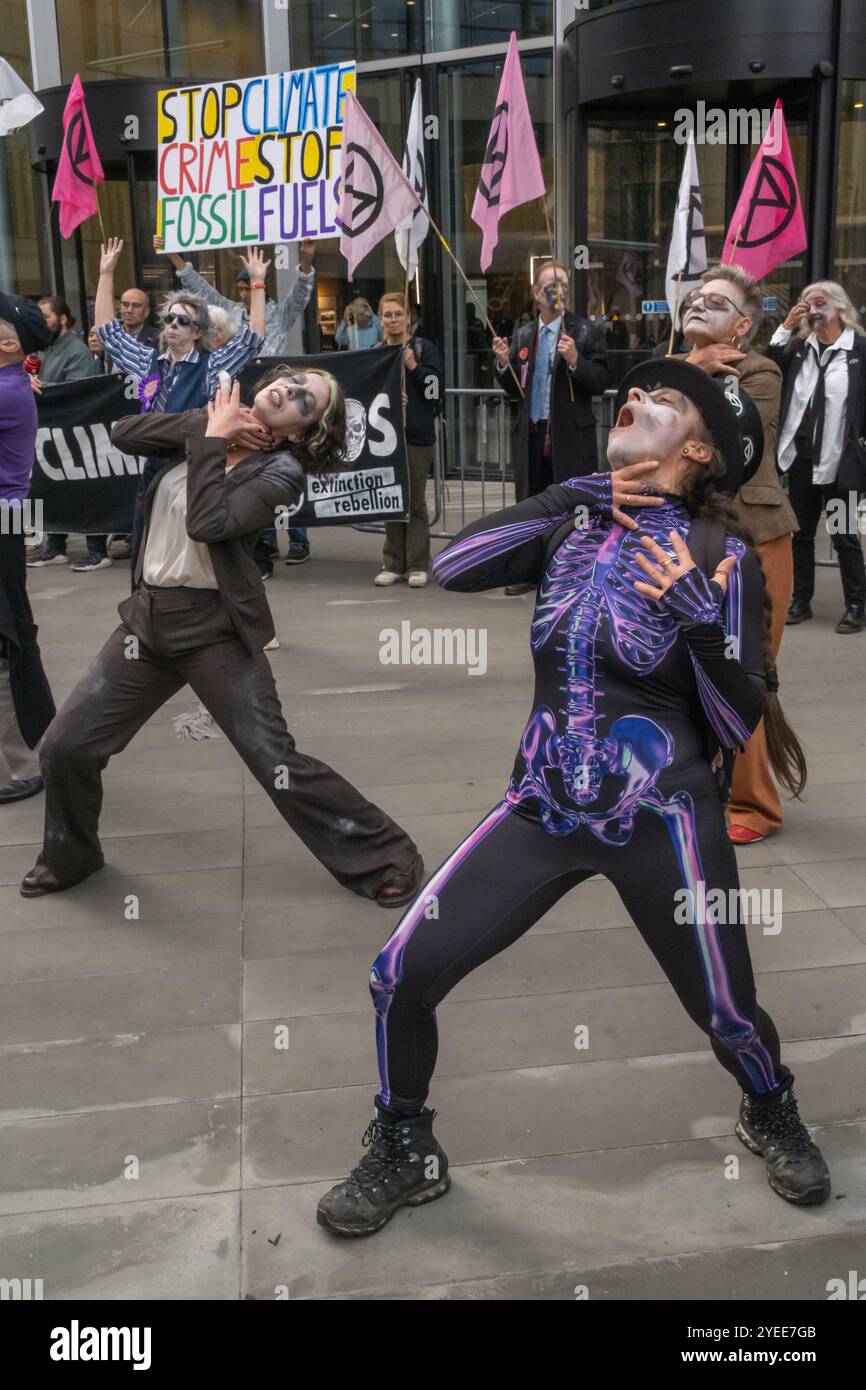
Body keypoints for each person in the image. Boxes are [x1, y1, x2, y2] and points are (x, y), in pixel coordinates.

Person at [317, 358, 829, 1239]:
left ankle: (770, 1108)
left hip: (661, 819)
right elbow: (457, 567)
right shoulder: (572, 525)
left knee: (729, 1012)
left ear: (701, 449)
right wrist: (577, 494)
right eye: (633, 392)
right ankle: (406, 1145)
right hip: (542, 808)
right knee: (398, 975)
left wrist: (696, 621)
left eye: (662, 401)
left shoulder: (722, 555)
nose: (634, 398)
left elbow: (738, 720)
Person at [19, 372, 424, 909]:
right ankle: (72, 855)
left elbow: (208, 522)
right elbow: (123, 431)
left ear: (299, 434)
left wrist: (212, 441)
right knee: (67, 746)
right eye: (294, 380)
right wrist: (215, 425)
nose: (288, 389)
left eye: (304, 400)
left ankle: (389, 856)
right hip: (147, 622)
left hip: (215, 630)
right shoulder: (208, 431)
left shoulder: (279, 471)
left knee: (275, 762)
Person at [676, 264, 798, 847]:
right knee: (680, 665)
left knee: (746, 669)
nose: (698, 304)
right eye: (695, 298)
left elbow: (731, 443)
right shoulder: (672, 368)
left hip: (755, 535)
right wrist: (684, 371)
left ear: (742, 326)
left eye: (715, 301)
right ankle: (695, 787)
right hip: (687, 536)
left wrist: (690, 377)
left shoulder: (761, 371)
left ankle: (755, 803)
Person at [95, 238, 267, 572]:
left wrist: (258, 283)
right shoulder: (149, 363)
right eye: (170, 318)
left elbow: (253, 338)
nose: (173, 325)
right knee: (145, 544)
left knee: (192, 551)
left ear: (198, 332)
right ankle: (143, 612)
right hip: (154, 467)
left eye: (183, 321)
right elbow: (107, 333)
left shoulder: (211, 365)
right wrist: (106, 273)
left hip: (194, 469)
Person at [492, 262, 609, 594]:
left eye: (563, 286)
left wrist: (575, 360)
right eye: (550, 286)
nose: (558, 292)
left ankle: (571, 572)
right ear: (535, 294)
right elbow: (516, 389)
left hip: (569, 437)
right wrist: (503, 364)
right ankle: (529, 571)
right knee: (531, 504)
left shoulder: (585, 332)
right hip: (532, 434)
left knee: (570, 506)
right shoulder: (524, 334)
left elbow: (600, 381)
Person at [766, 281, 866, 634]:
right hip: (803, 460)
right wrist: (786, 326)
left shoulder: (858, 351)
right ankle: (801, 601)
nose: (812, 308)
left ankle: (856, 604)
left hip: (840, 465)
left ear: (839, 308)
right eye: (806, 302)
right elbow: (767, 364)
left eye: (820, 302)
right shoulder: (797, 349)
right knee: (802, 535)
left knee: (843, 535)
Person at [0, 292, 56, 804]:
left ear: (10, 342)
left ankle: (24, 764)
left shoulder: (7, 390)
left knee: (9, 638)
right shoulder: (11, 383)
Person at [25, 298, 108, 572]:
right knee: (51, 488)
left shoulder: (76, 351)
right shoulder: (42, 350)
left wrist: (42, 386)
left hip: (77, 434)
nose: (41, 321)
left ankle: (97, 549)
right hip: (48, 433)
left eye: (45, 315)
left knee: (83, 489)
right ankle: (55, 546)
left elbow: (77, 391)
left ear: (62, 319)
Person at [373, 292, 443, 589]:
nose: (392, 320)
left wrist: (414, 367)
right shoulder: (375, 352)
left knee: (414, 502)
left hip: (416, 436)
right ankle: (392, 562)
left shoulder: (423, 349)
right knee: (391, 499)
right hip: (386, 438)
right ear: (380, 320)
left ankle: (417, 563)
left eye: (398, 314)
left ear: (408, 317)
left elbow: (435, 390)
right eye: (387, 315)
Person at [155, 235, 316, 358]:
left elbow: (300, 294)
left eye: (249, 289)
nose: (245, 294)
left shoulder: (281, 315)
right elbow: (199, 286)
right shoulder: (231, 311)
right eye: (241, 289)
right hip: (235, 378)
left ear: (263, 289)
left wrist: (306, 261)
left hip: (269, 379)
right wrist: (172, 255)